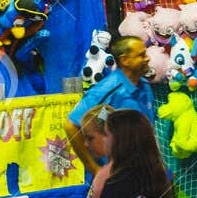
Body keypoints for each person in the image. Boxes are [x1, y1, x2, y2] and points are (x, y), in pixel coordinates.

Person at [65, 36, 155, 175]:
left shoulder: (144, 86)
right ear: (125, 60)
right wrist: (95, 169)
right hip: (117, 176)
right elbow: (71, 126)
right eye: (141, 55)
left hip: (145, 172)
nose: (147, 58)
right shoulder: (108, 90)